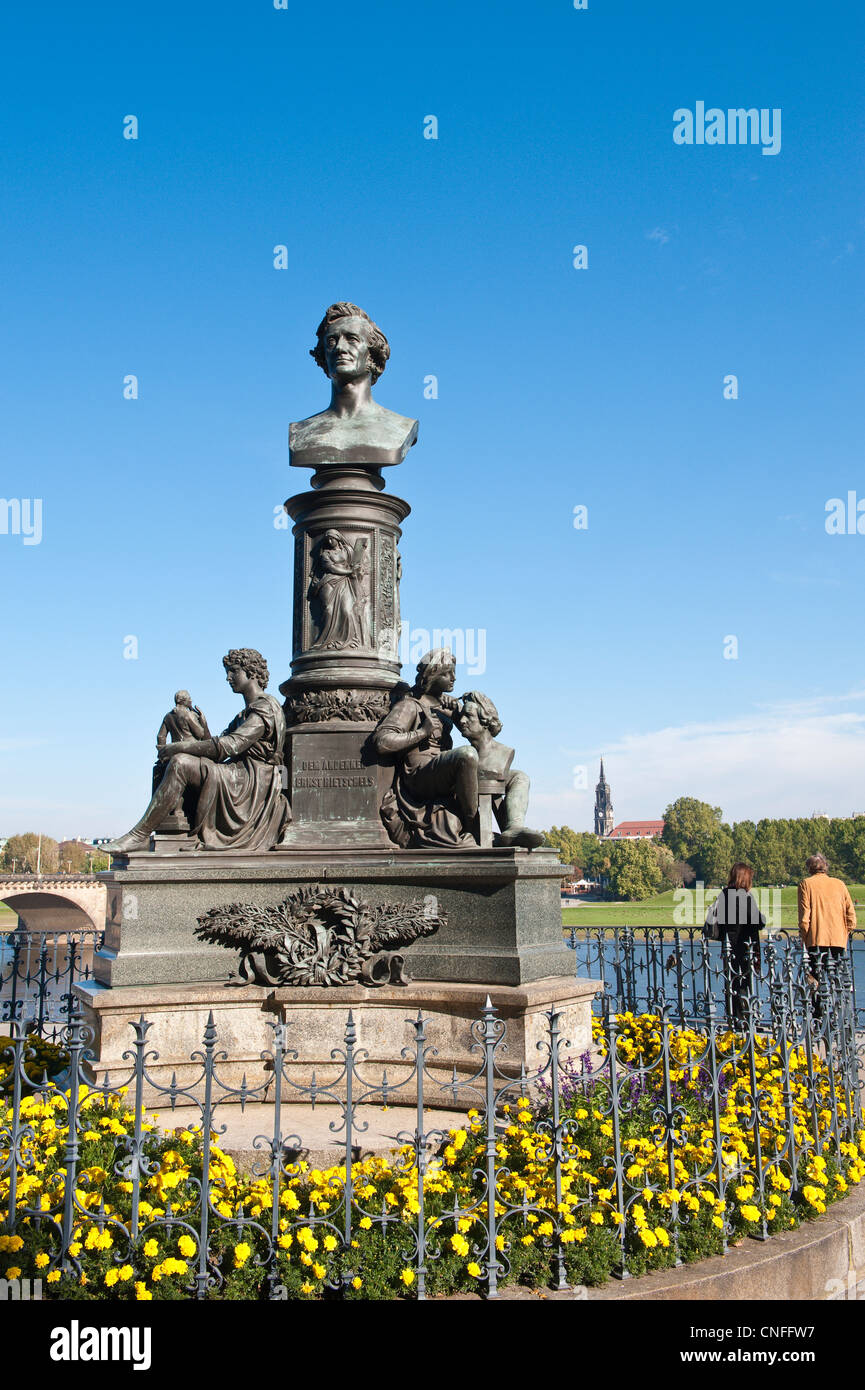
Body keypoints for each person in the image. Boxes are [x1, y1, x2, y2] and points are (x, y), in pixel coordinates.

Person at [108, 649, 290, 853]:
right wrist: (203, 727)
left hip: (250, 781)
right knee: (175, 761)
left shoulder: (265, 708)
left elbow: (229, 745)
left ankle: (139, 836)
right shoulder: (244, 713)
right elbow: (216, 744)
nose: (228, 677)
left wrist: (179, 746)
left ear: (251, 672)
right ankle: (154, 832)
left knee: (180, 762)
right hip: (238, 774)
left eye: (233, 671)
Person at [372, 649, 478, 848]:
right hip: (419, 774)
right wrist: (421, 733)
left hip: (440, 769)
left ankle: (511, 829)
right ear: (433, 675)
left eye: (454, 672)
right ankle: (474, 827)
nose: (454, 678)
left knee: (517, 777)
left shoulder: (447, 707)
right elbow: (382, 741)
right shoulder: (410, 706)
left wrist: (456, 716)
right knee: (467, 755)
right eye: (447, 673)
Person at [452, 690, 544, 848]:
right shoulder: (465, 756)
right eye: (461, 716)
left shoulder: (503, 752)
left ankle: (515, 828)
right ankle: (493, 835)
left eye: (468, 716)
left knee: (520, 777)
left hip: (489, 774)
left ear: (485, 720)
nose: (462, 721)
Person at [705, 863, 765, 1025]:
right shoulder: (745, 896)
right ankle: (746, 1016)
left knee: (731, 982)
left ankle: (733, 1015)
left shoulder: (724, 894)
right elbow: (757, 922)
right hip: (746, 945)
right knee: (745, 982)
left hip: (729, 945)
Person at [797, 853, 855, 1017]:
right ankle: (842, 1016)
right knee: (837, 978)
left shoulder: (806, 884)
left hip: (816, 939)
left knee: (815, 978)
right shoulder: (839, 884)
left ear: (809, 868)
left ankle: (818, 1017)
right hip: (837, 940)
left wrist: (804, 937)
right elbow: (851, 914)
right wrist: (844, 932)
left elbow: (804, 917)